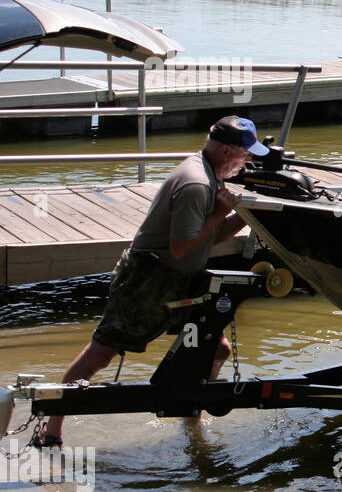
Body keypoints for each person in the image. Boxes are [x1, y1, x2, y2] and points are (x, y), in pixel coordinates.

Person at [31, 115, 269, 447]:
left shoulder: (210, 173)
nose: (248, 162)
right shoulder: (197, 184)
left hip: (182, 277)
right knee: (99, 355)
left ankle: (191, 416)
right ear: (226, 150)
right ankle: (51, 428)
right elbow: (182, 245)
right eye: (246, 155)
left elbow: (206, 238)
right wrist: (218, 214)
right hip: (149, 279)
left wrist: (245, 215)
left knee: (216, 347)